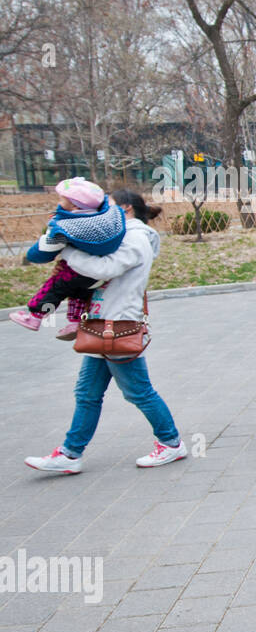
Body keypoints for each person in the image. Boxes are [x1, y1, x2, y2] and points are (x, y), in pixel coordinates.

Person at [25, 188, 185, 474]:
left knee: (138, 392)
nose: (102, 212)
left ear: (125, 209)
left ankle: (171, 443)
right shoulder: (125, 236)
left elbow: (104, 269)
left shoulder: (136, 238)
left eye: (108, 206)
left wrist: (68, 249)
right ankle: (70, 454)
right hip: (102, 325)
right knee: (87, 393)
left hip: (118, 324)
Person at [9, 177, 126, 340]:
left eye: (61, 199)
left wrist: (32, 255)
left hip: (72, 270)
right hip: (97, 275)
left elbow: (46, 250)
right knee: (78, 294)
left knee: (54, 289)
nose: (59, 201)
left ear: (75, 205)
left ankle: (34, 317)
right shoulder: (105, 220)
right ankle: (75, 322)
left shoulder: (67, 226)